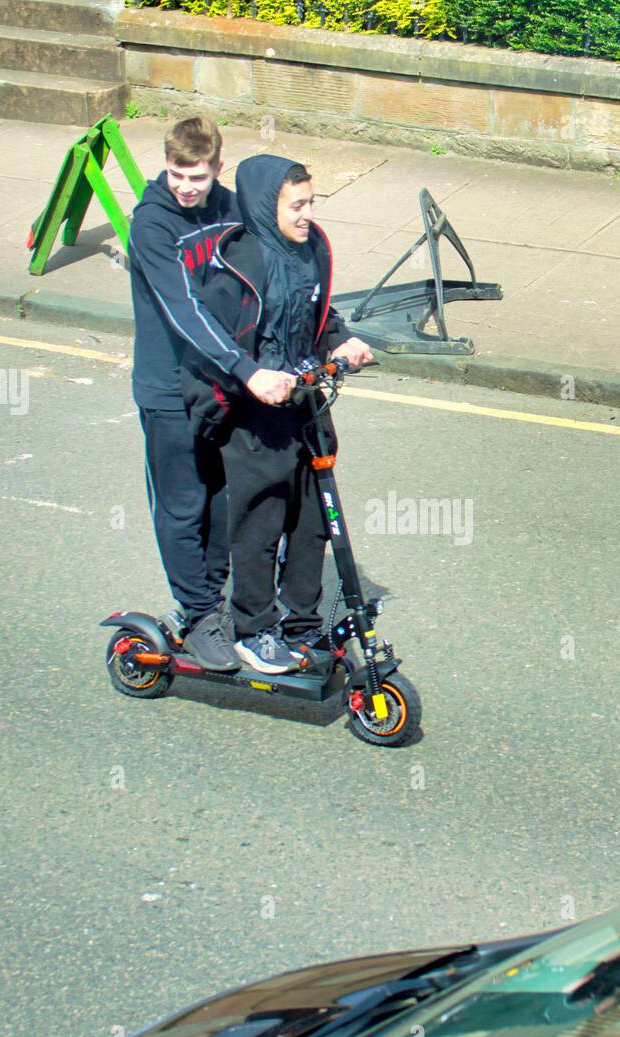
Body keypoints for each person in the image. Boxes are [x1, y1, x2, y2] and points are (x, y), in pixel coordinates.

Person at [179, 155, 374, 674]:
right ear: (268, 205)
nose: (308, 214)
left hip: (306, 401)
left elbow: (317, 312)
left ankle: (300, 622)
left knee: (313, 518)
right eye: (297, 205)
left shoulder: (310, 250)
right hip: (253, 412)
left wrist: (344, 339)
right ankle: (252, 629)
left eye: (311, 202)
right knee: (260, 523)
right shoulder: (238, 265)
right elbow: (212, 345)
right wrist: (255, 376)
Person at [127, 116, 246, 670]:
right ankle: (197, 616)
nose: (186, 186)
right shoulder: (152, 224)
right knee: (184, 505)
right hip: (168, 387)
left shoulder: (231, 207)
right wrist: (243, 366)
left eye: (197, 175)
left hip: (220, 386)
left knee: (225, 498)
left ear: (218, 168)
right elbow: (184, 309)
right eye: (178, 173)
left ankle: (215, 601)